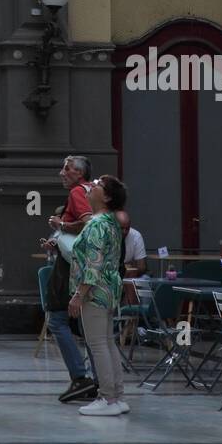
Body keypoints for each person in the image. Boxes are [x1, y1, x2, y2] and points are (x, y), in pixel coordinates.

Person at [68, 174, 129, 417]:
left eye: (99, 185)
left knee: (97, 344)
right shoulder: (110, 222)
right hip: (110, 288)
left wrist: (78, 294)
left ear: (107, 197)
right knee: (107, 342)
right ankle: (118, 396)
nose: (92, 186)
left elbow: (93, 264)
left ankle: (107, 398)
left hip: (95, 291)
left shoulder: (95, 224)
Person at [40, 154, 97, 403]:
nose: (62, 173)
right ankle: (99, 380)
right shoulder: (94, 190)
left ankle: (80, 377)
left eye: (67, 169)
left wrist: (61, 225)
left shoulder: (77, 192)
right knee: (90, 326)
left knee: (56, 319)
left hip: (71, 269)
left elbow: (87, 223)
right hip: (89, 264)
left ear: (79, 173)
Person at [116, 209, 148, 280]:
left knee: (145, 278)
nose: (124, 232)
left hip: (130, 275)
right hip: (110, 277)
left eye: (127, 228)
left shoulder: (136, 236)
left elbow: (142, 267)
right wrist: (126, 266)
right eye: (121, 228)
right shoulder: (106, 235)